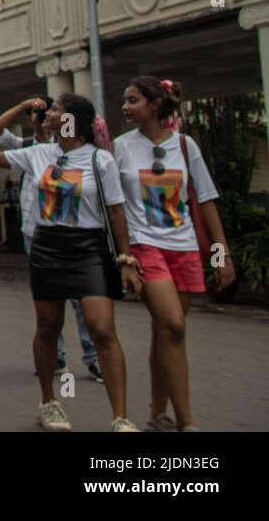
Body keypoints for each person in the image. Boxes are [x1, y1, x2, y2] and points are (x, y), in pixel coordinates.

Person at [0, 90, 140, 432]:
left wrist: (126, 258)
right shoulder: (39, 153)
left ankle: (121, 417)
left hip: (89, 249)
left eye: (55, 110)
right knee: (48, 328)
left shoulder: (100, 160)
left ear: (71, 121)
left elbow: (115, 210)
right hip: (48, 247)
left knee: (102, 328)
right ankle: (49, 402)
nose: (48, 113)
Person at [116, 76, 234, 432]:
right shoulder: (121, 147)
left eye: (133, 100)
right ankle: (187, 423)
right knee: (173, 324)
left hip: (182, 246)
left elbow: (207, 200)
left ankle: (157, 414)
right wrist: (123, 258)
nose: (125, 106)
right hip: (144, 246)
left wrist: (220, 254)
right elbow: (115, 206)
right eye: (124, 100)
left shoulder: (185, 146)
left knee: (166, 332)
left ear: (154, 104)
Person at [0, 96, 100, 381]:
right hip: (36, 230)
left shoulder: (79, 153)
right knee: (50, 303)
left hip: (74, 234)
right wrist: (23, 104)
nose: (40, 115)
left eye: (47, 110)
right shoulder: (28, 147)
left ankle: (93, 357)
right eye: (39, 113)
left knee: (80, 300)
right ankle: (57, 358)